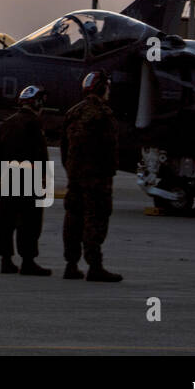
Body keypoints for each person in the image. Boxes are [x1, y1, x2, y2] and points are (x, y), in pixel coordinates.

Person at [61, 70, 123, 282]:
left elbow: (63, 149)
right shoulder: (104, 115)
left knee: (73, 219)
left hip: (75, 177)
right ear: (102, 88)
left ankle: (71, 265)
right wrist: (108, 172)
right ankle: (95, 266)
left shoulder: (73, 113)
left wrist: (72, 170)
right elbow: (110, 149)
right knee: (95, 220)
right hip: (97, 179)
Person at [0, 85, 51, 276]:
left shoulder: (7, 123)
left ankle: (6, 260)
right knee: (30, 222)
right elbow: (40, 153)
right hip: (29, 178)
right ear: (36, 102)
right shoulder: (34, 123)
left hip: (8, 176)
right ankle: (28, 262)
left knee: (5, 220)